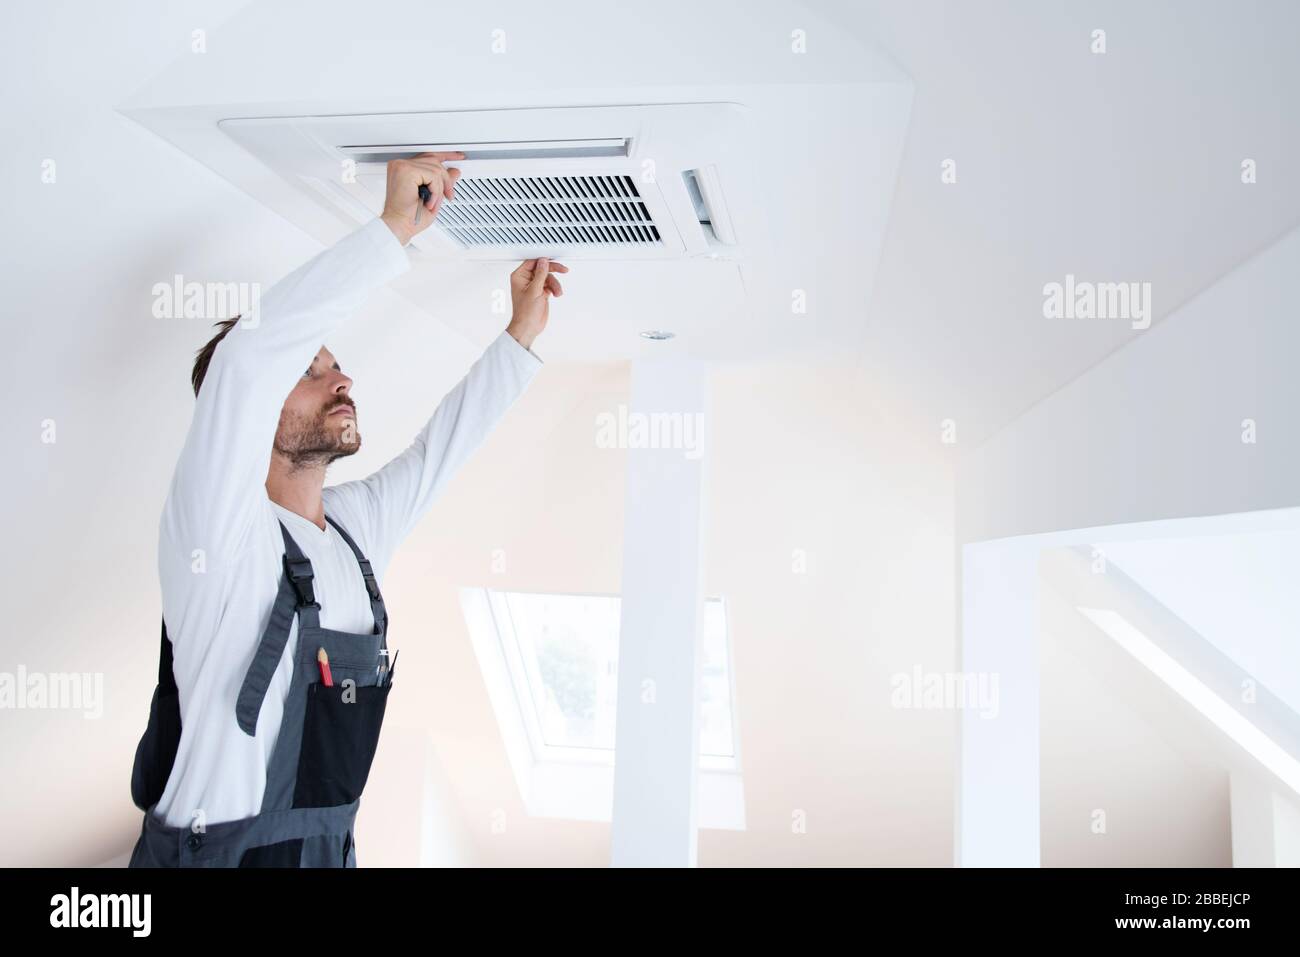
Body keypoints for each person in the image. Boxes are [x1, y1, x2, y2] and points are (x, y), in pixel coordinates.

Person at [128, 152, 569, 867]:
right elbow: (244, 363)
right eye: (310, 369)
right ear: (248, 417)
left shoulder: (354, 536)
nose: (342, 378)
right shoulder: (215, 534)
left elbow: (439, 454)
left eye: (330, 364)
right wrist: (393, 228)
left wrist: (519, 334)